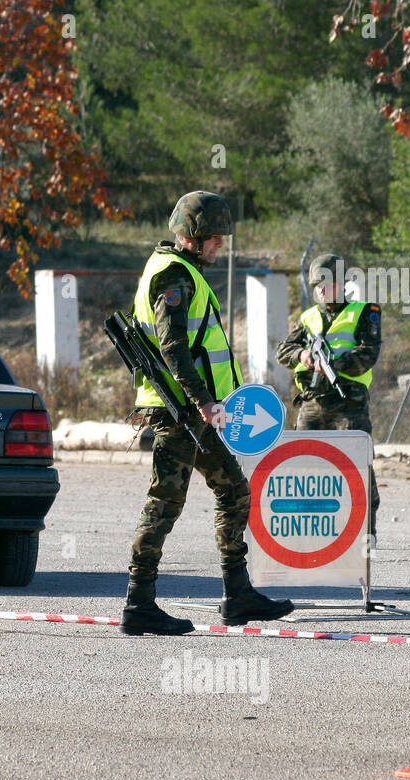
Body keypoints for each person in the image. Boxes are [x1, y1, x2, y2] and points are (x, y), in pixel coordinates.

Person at [123, 190, 293, 636]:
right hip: (179, 410)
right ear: (192, 237)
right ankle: (138, 602)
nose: (221, 246)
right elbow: (173, 346)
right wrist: (201, 399)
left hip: (191, 411)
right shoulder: (174, 276)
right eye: (215, 238)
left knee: (235, 492)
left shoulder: (183, 272)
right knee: (165, 502)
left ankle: (238, 596)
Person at [276, 253, 381, 539]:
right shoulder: (308, 317)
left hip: (350, 401)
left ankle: (364, 532)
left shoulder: (364, 311)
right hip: (313, 402)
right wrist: (304, 354)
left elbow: (368, 353)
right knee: (304, 467)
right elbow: (283, 351)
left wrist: (333, 364)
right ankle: (307, 533)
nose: (322, 289)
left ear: (341, 283)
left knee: (358, 467)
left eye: (327, 282)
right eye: (317, 285)